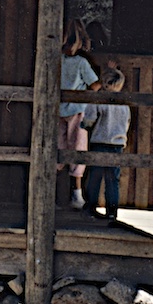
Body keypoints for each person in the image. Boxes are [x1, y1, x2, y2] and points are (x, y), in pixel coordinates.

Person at [59, 20, 101, 209]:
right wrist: (107, 76)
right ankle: (76, 194)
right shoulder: (82, 63)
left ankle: (54, 194)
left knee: (58, 150)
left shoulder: (56, 60)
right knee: (78, 149)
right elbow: (94, 86)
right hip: (77, 112)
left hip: (57, 111)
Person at [82, 67, 130, 220]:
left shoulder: (99, 101)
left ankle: (91, 208)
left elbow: (89, 119)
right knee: (112, 179)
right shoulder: (124, 106)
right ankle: (112, 212)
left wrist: (84, 125)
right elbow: (127, 123)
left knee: (95, 176)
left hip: (99, 141)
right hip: (117, 144)